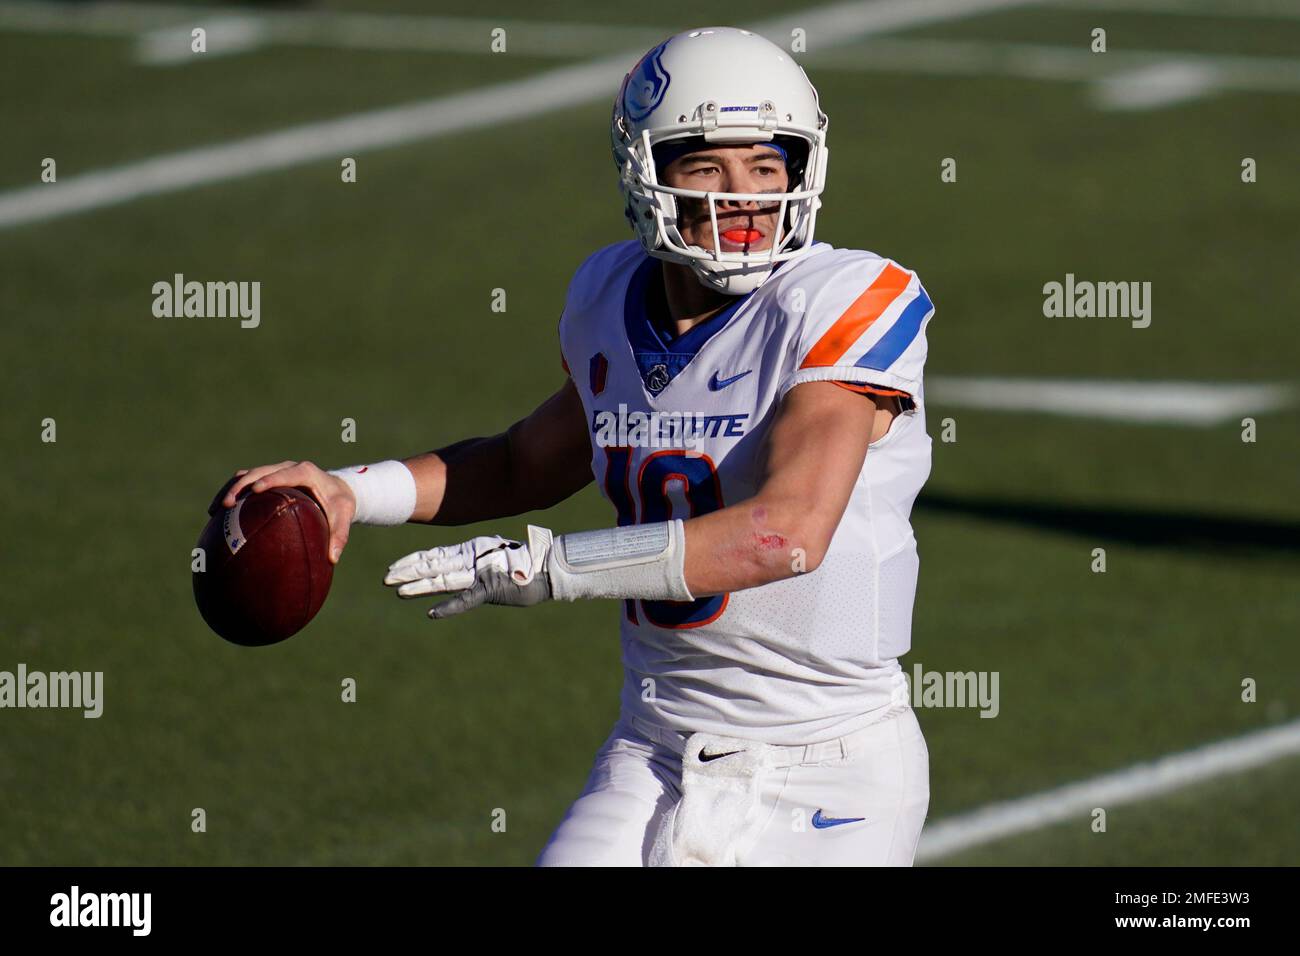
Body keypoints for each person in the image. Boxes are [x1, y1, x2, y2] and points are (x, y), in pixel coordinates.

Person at [218, 26, 935, 866]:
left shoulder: (845, 298)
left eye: (767, 166)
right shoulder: (609, 297)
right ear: (648, 174)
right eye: (707, 166)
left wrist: (552, 569)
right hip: (656, 749)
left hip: (830, 767)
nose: (743, 194)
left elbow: (785, 534)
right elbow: (525, 462)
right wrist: (346, 491)